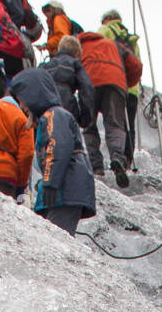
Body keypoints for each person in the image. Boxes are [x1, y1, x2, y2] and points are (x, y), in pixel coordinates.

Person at [9, 69, 96, 233]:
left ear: (35, 94)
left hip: (65, 192)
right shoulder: (51, 117)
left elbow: (58, 147)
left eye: (23, 100)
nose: (21, 106)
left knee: (57, 240)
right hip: (66, 191)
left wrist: (50, 184)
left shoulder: (54, 115)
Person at [78, 30, 137, 187]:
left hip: (90, 83)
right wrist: (127, 82)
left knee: (89, 126)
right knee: (115, 123)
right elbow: (135, 64)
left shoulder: (81, 45)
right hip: (115, 83)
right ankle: (117, 157)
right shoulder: (113, 44)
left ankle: (96, 166)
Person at [99, 10, 141, 169]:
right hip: (132, 88)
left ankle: (117, 157)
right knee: (129, 123)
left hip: (114, 84)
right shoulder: (131, 40)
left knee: (114, 121)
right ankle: (128, 160)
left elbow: (97, 49)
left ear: (107, 19)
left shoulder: (106, 30)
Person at [40, 35, 95, 129]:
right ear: (77, 53)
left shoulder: (45, 66)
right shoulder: (75, 64)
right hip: (67, 106)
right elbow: (87, 88)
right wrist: (85, 118)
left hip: (46, 109)